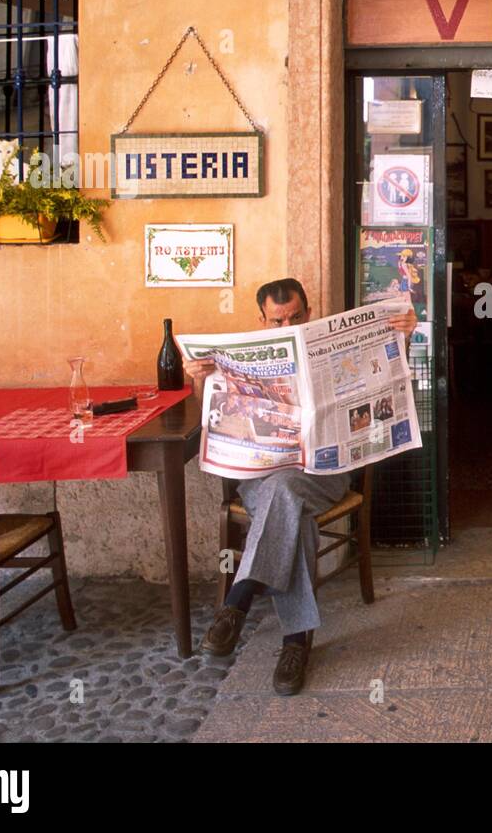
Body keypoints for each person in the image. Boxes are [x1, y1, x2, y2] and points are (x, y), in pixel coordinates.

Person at [185, 278, 416, 695]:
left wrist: (404, 337)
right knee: (291, 506)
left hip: (322, 475)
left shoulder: (332, 345)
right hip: (263, 479)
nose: (286, 324)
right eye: (277, 320)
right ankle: (296, 642)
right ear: (261, 319)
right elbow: (216, 419)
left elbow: (389, 385)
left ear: (308, 313)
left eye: (294, 316)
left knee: (290, 495)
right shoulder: (239, 360)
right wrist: (200, 380)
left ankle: (240, 597)